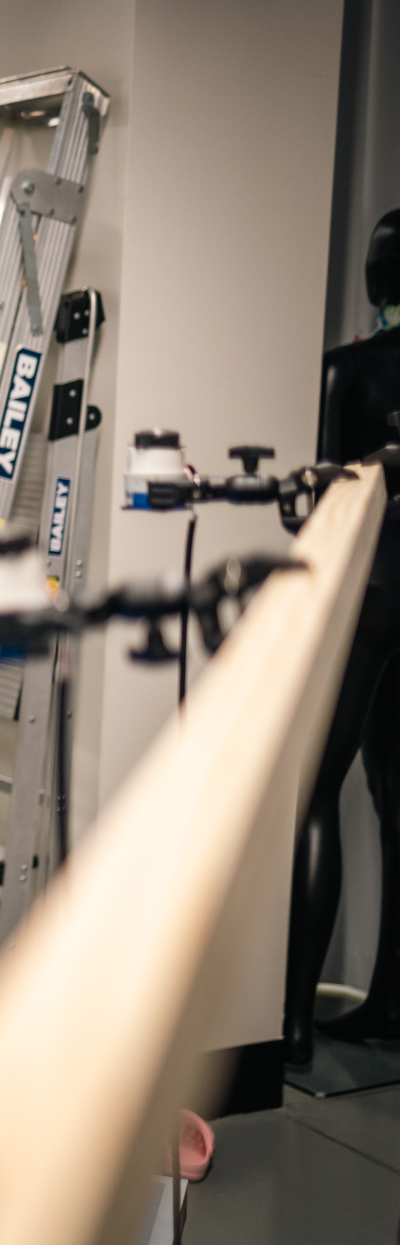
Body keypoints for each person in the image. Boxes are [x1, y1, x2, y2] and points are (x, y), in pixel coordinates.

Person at [286, 207, 400, 1064]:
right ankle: (386, 1004)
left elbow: (325, 505)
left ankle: (286, 1021)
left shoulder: (351, 370)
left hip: (367, 598)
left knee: (315, 791)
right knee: (393, 805)